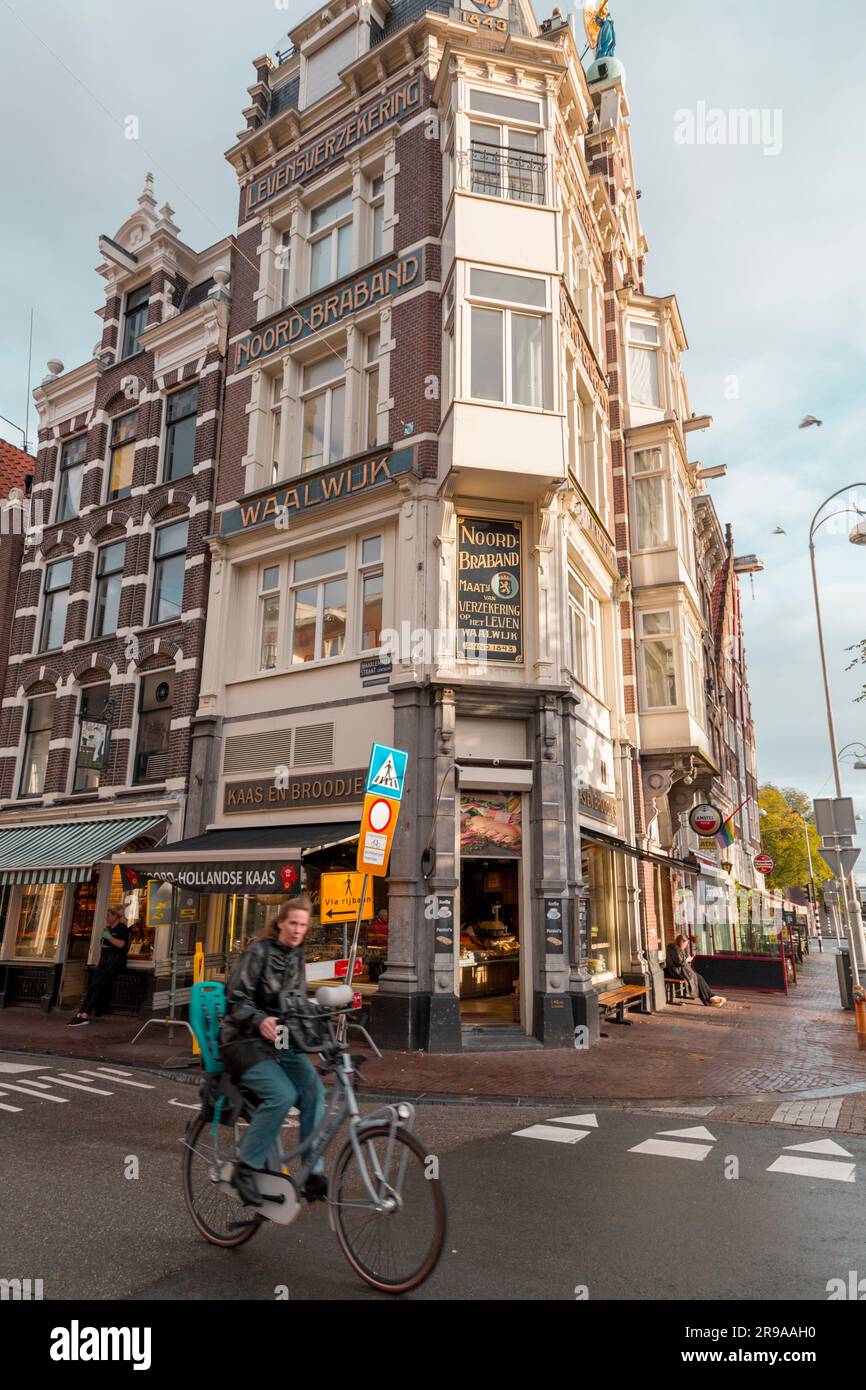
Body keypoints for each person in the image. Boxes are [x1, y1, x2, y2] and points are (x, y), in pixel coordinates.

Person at [219, 896, 327, 1208]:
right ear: (280, 922)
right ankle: (246, 1168)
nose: (297, 930)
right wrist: (259, 1018)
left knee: (314, 1092)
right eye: (293, 922)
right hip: (243, 1041)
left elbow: (294, 1004)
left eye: (303, 925)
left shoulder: (297, 958)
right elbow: (235, 999)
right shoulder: (257, 953)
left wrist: (323, 1020)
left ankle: (311, 1172)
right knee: (281, 1095)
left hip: (279, 1041)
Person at [67, 907, 130, 1026]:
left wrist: (109, 937)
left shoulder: (122, 928)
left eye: (108, 915)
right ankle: (80, 1013)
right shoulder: (107, 928)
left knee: (98, 986)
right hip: (104, 962)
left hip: (114, 963)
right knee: (92, 986)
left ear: (115, 916)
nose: (106, 917)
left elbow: (121, 944)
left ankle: (86, 1014)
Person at [665, 934, 726, 1007]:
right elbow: (679, 962)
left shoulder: (677, 949)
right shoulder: (675, 950)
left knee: (699, 977)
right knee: (697, 978)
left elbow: (680, 961)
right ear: (682, 942)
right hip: (677, 972)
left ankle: (711, 995)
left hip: (681, 970)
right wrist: (687, 960)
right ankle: (708, 999)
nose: (685, 946)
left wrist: (687, 960)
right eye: (685, 944)